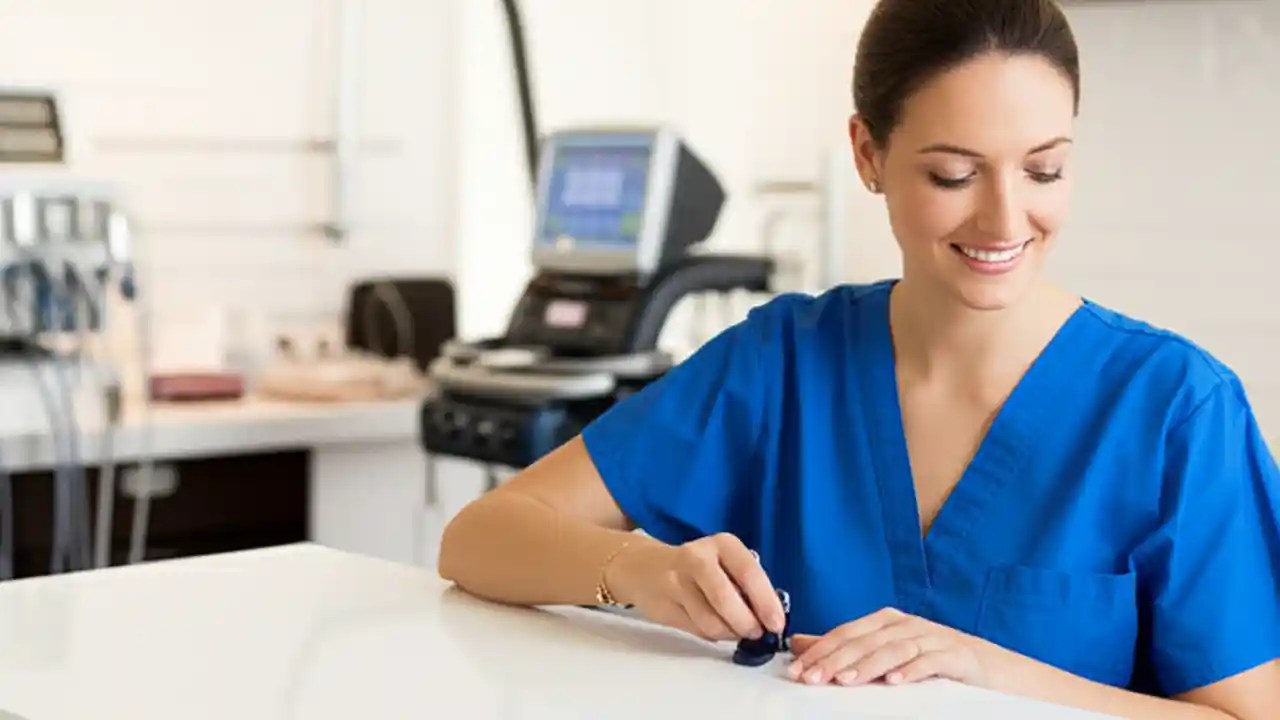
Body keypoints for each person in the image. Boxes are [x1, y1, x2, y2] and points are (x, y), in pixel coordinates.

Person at [437, 0, 1280, 717]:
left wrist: (987, 671)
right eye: (954, 174)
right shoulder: (782, 365)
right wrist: (644, 571)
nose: (1003, 218)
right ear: (869, 155)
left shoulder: (1175, 410)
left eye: (1043, 168)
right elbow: (478, 538)